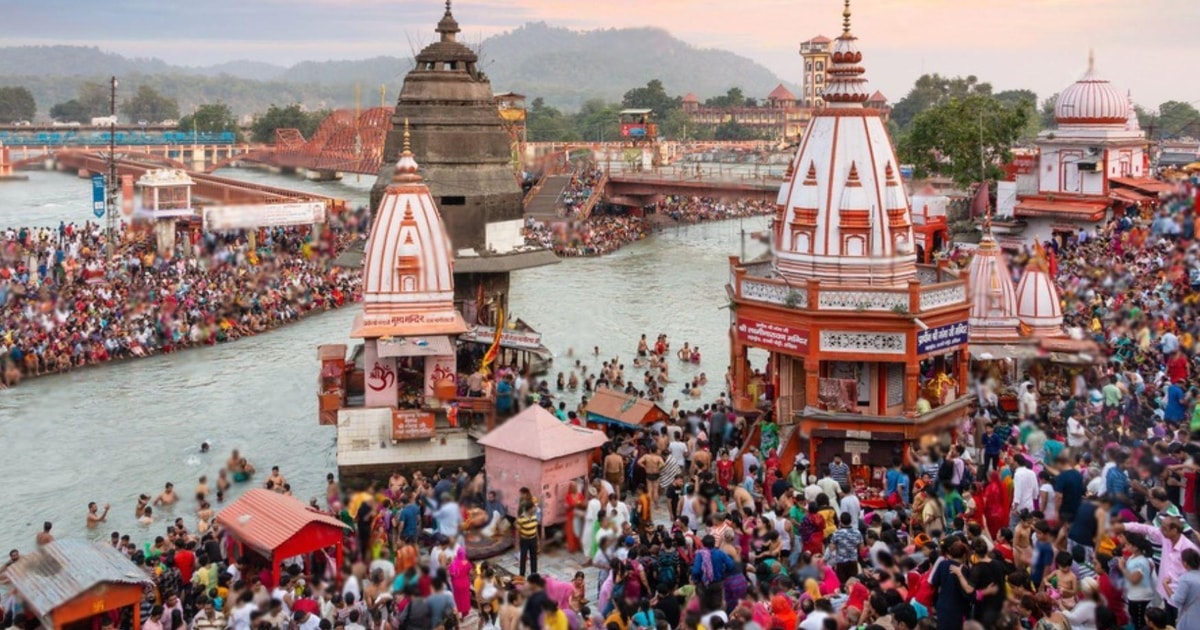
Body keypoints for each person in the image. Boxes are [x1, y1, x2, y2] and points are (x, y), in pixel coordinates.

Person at [1170, 548, 1200, 630]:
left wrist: (1166, 587)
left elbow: (1177, 600)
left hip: (1190, 621)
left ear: (1185, 563)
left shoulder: (1185, 579)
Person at [517, 506, 540, 577]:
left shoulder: (534, 516)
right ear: (528, 509)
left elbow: (536, 528)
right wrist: (519, 541)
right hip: (524, 540)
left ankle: (534, 574)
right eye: (533, 508)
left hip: (533, 539)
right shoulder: (521, 518)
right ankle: (522, 575)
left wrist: (538, 540)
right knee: (523, 557)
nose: (534, 509)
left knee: (534, 557)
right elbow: (518, 530)